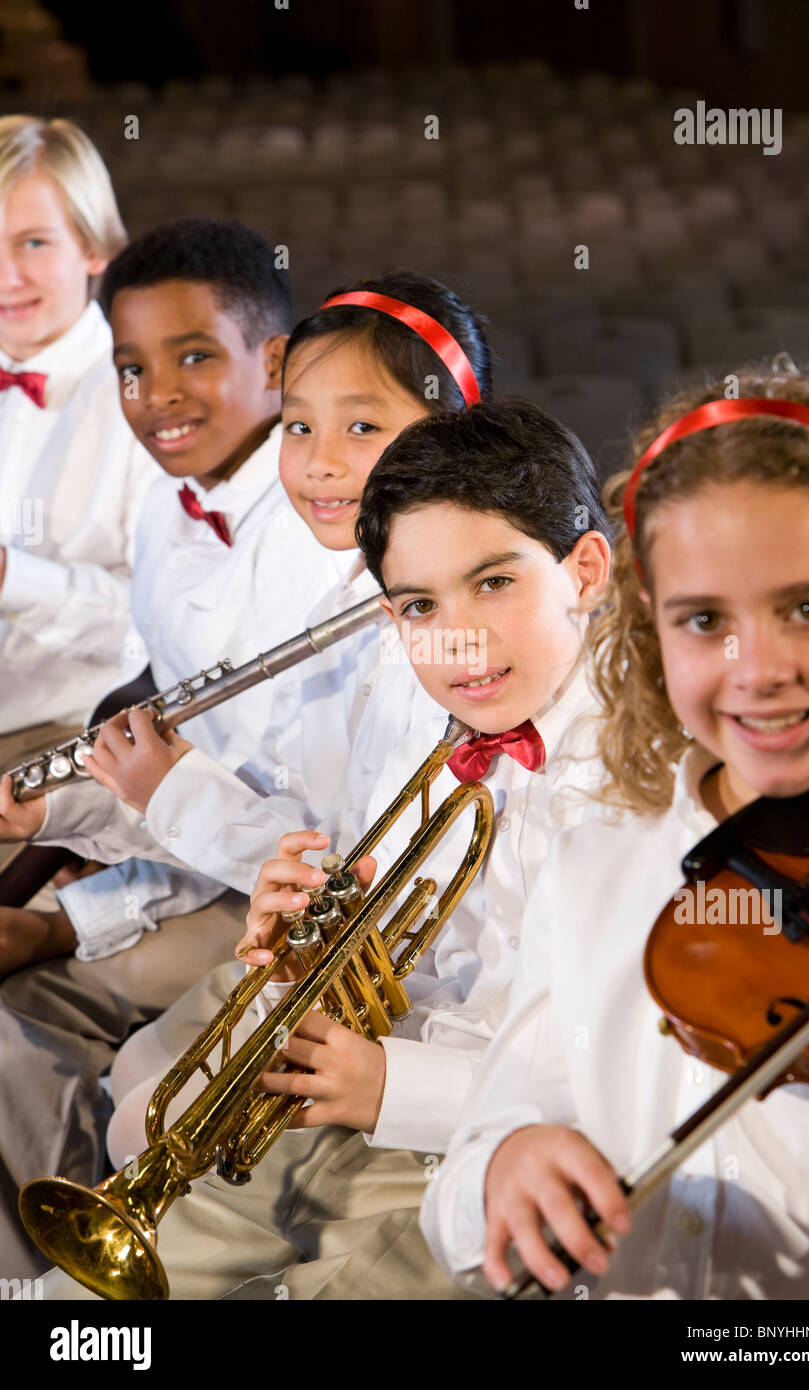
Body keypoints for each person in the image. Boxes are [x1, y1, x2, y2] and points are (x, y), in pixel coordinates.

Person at [39, 396, 611, 1300]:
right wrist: (300, 956)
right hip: (359, 1099)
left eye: (494, 583)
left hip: (490, 1154)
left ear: (584, 570)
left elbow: (614, 1070)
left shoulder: (642, 781)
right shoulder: (424, 715)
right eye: (420, 604)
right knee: (74, 1308)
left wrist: (393, 1085)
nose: (458, 638)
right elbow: (388, 939)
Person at [0, 269, 490, 1280]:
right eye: (299, 429)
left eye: (361, 430)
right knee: (142, 1109)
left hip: (420, 1011)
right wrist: (76, 805)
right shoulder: (354, 600)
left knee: (149, 1110)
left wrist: (167, 805)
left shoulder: (435, 630)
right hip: (311, 940)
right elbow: (288, 819)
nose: (314, 465)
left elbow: (363, 865)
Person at [421, 361, 809, 1300]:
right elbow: (475, 1158)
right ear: (650, 632)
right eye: (705, 620)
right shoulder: (595, 868)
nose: (758, 670)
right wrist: (508, 1162)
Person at [0, 217, 346, 1279]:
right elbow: (174, 785)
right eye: (132, 368)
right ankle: (45, 1283)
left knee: (139, 1095)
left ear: (275, 362)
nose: (157, 397)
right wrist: (56, 812)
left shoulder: (329, 537)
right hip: (203, 873)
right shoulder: (164, 519)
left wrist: (73, 917)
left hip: (296, 912)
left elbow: (314, 846)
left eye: (194, 356)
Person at [0, 115, 156, 767]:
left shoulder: (149, 398)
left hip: (70, 744)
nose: (6, 276)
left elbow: (158, 627)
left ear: (93, 247)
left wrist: (13, 578)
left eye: (33, 243)